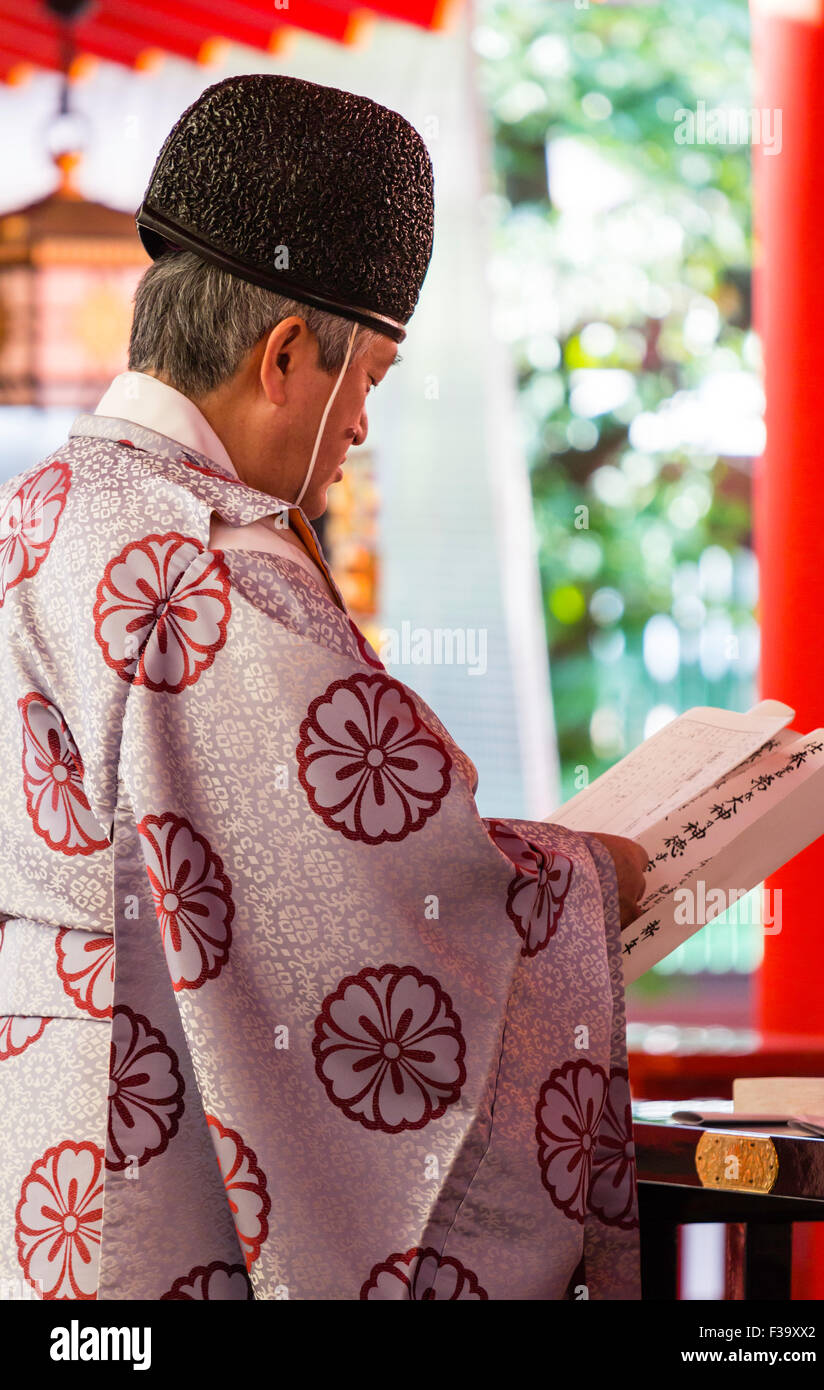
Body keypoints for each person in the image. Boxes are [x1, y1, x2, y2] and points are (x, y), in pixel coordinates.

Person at [0, 74, 647, 1302]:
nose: (357, 430)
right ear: (288, 355)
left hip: (41, 1122)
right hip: (160, 1152)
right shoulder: (216, 567)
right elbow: (393, 888)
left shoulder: (41, 514)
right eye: (368, 383)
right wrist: (574, 882)